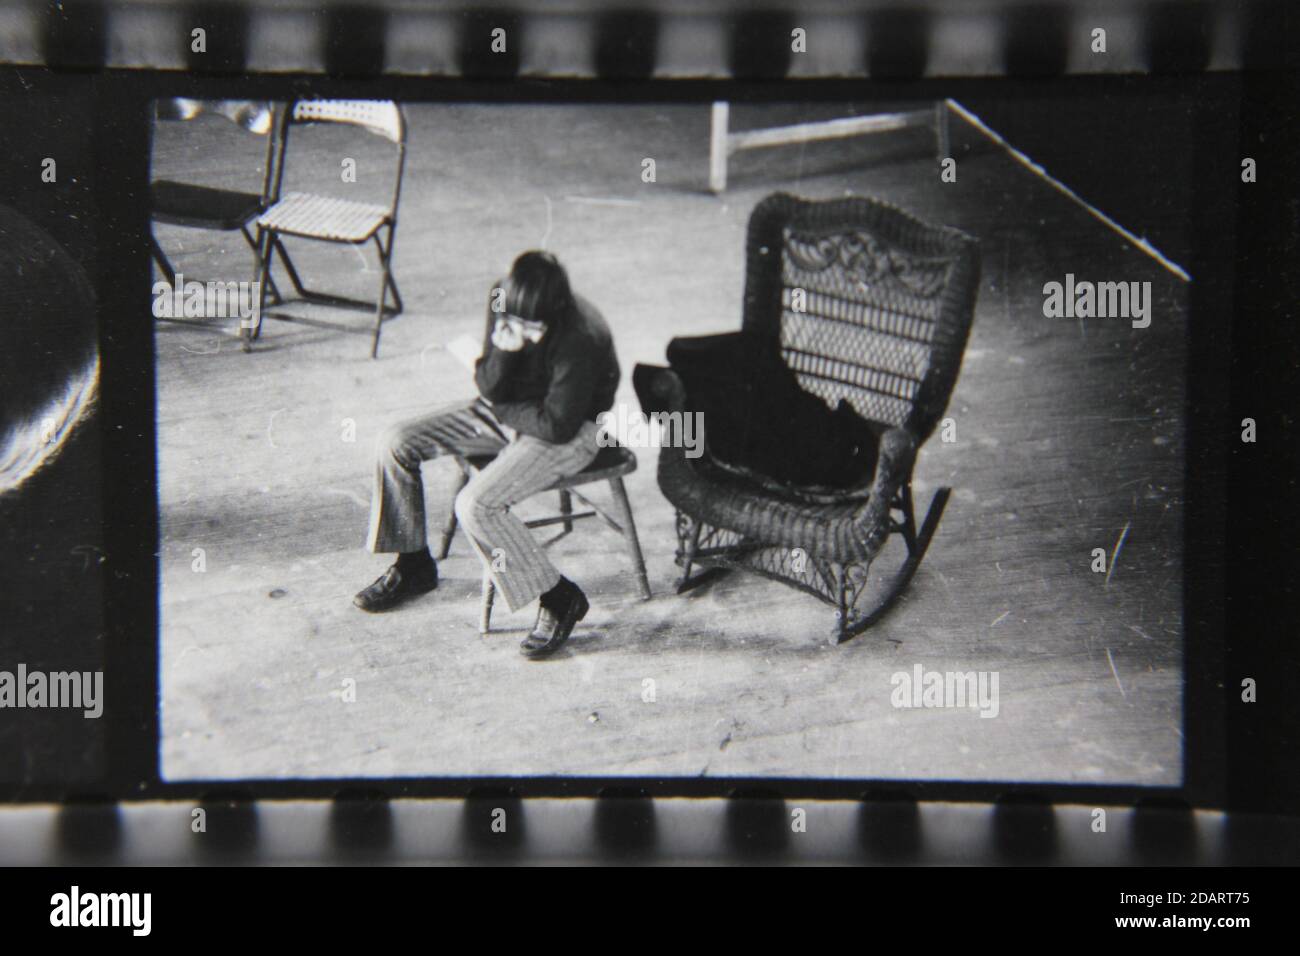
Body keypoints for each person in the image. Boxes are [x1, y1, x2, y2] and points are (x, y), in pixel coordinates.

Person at [355, 251, 620, 658]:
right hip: (515, 411)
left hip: (572, 431)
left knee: (476, 504)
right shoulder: (503, 298)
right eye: (511, 321)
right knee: (394, 441)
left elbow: (557, 425)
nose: (520, 332)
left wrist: (500, 406)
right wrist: (505, 353)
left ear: (555, 313)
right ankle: (414, 565)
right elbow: (489, 384)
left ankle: (558, 596)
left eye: (531, 328)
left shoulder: (579, 335)